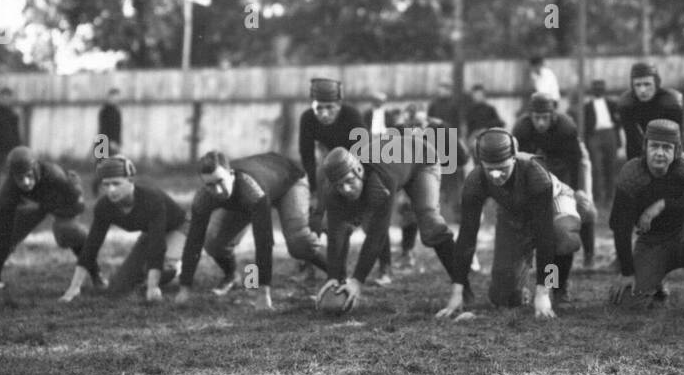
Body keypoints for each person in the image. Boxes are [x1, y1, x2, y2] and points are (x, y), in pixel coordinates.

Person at [436, 128, 580, 319]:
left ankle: (558, 286)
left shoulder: (535, 174)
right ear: (481, 165)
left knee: (562, 236)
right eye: (490, 170)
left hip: (552, 205)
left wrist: (543, 291)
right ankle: (521, 288)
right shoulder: (475, 180)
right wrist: (457, 292)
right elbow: (466, 238)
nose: (496, 176)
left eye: (503, 168)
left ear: (514, 159)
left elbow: (545, 238)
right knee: (502, 296)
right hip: (514, 211)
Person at [318, 141, 472, 312]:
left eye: (349, 181)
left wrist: (357, 281)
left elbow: (378, 234)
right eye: (339, 185)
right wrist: (331, 276)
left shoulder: (381, 179)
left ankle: (464, 289)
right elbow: (336, 233)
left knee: (431, 225)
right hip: (394, 162)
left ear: (359, 170)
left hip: (421, 158)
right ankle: (340, 282)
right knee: (336, 224)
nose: (345, 189)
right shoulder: (332, 191)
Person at [177, 151, 328, 311]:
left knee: (298, 242)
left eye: (220, 181)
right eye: (210, 185)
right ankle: (231, 275)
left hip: (288, 180)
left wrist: (263, 293)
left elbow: (263, 241)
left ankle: (337, 275)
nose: (218, 190)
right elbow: (194, 241)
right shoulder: (204, 197)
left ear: (231, 174)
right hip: (247, 194)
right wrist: (184, 288)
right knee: (213, 242)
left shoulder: (252, 191)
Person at [607, 119, 684, 317]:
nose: (659, 153)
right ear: (645, 147)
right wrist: (627, 271)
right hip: (651, 242)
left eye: (667, 147)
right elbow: (619, 225)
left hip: (683, 236)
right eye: (654, 146)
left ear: (676, 151)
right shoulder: (632, 172)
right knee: (627, 303)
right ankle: (657, 283)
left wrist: (663, 204)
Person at [61, 155, 188, 303]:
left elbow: (157, 246)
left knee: (164, 268)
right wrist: (74, 287)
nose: (111, 190)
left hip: (179, 227)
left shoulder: (152, 199)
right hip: (152, 232)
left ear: (130, 181)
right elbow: (91, 246)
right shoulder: (104, 206)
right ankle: (148, 275)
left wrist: (153, 287)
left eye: (116, 183)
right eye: (106, 185)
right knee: (118, 288)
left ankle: (176, 265)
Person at [0, 145, 89, 298]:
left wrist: (52, 205)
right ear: (12, 176)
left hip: (60, 203)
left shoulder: (55, 176)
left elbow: (78, 205)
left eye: (28, 175)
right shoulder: (8, 192)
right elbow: (3, 234)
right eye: (19, 178)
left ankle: (96, 273)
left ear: (36, 168)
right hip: (34, 207)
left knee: (66, 231)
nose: (25, 182)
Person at [512, 92, 600, 270]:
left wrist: (577, 190)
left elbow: (575, 162)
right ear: (530, 116)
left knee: (584, 208)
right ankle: (529, 266)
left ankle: (587, 257)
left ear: (553, 116)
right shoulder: (522, 129)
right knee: (522, 215)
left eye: (545, 118)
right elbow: (518, 166)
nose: (541, 123)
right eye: (537, 118)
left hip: (568, 165)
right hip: (539, 166)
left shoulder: (565, 127)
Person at [299, 78, 367, 233]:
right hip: (328, 160)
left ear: (339, 105)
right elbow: (306, 155)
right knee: (318, 206)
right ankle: (314, 244)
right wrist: (314, 189)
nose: (324, 114)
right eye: (319, 108)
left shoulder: (352, 115)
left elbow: (365, 151)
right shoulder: (307, 118)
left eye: (330, 108)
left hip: (356, 160)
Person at [616, 62, 684, 161]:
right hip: (643, 143)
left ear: (656, 84)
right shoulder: (626, 105)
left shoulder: (671, 102)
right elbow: (632, 140)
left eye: (647, 84)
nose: (642, 90)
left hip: (672, 140)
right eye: (638, 85)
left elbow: (677, 139)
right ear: (632, 86)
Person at [583, 78, 623, 210]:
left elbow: (619, 120)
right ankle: (598, 198)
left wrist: (616, 136)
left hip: (609, 134)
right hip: (595, 135)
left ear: (604, 90)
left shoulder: (612, 104)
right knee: (596, 167)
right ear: (592, 90)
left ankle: (610, 198)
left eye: (601, 87)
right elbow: (585, 125)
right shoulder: (587, 106)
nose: (598, 90)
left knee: (610, 166)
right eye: (596, 87)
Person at [92, 87, 124, 194]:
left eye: (117, 98)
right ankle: (95, 189)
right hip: (102, 141)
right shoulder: (104, 111)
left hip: (113, 143)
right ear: (109, 97)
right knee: (102, 166)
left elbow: (118, 129)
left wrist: (118, 142)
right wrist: (110, 141)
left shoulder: (117, 111)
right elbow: (104, 128)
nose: (116, 100)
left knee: (113, 167)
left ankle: (110, 190)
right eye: (114, 97)